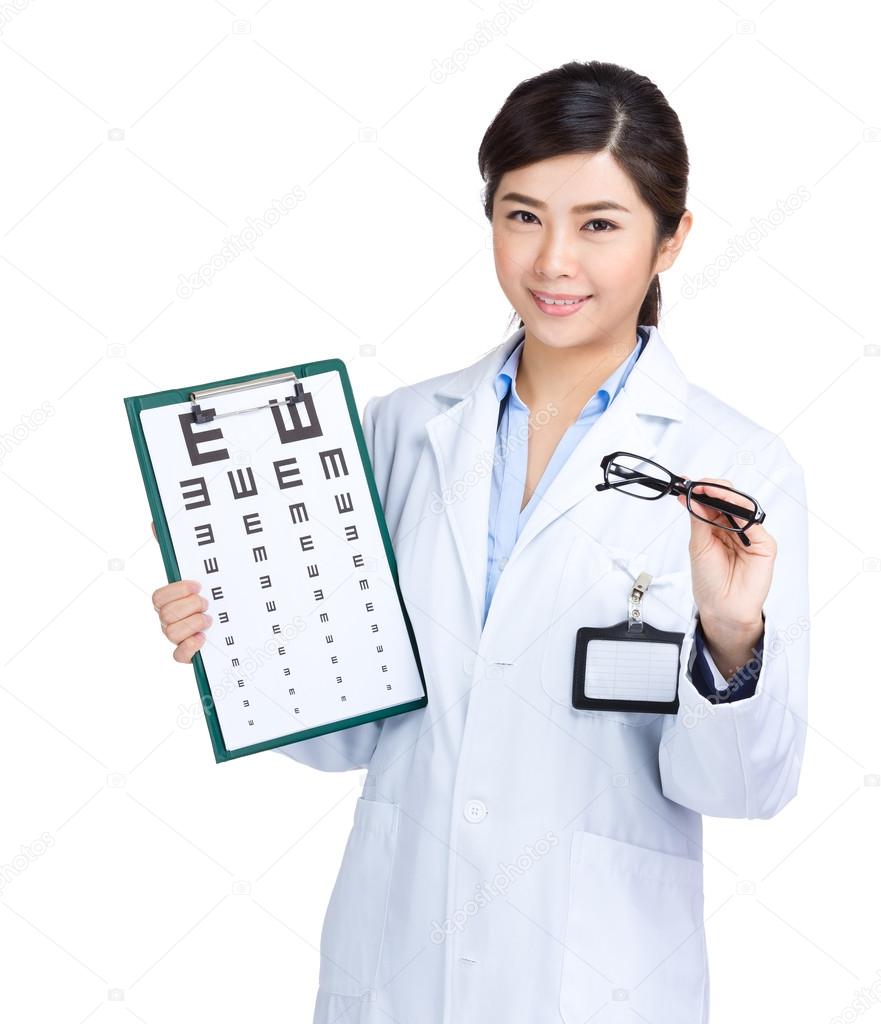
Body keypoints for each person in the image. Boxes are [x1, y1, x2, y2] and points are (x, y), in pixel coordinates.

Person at [150, 60, 809, 1024]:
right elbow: (353, 734)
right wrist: (241, 630)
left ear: (671, 239)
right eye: (522, 215)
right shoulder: (402, 427)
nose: (552, 263)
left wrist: (729, 637)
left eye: (598, 224)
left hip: (598, 978)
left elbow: (745, 790)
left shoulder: (735, 465)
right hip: (398, 957)